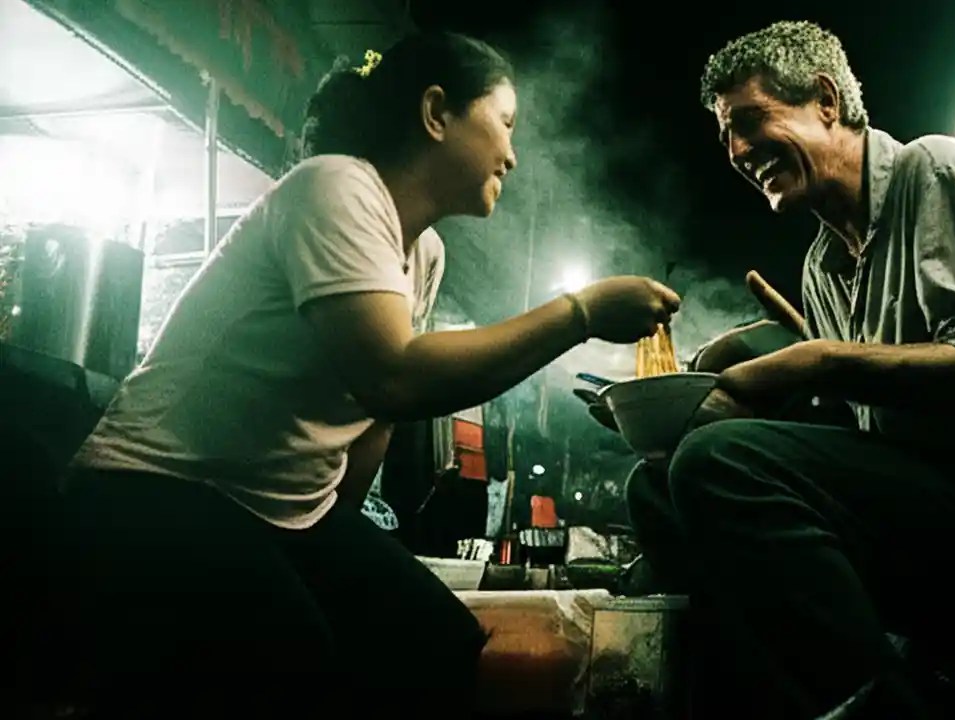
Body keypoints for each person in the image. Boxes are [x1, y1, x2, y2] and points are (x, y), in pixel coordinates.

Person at [61, 30, 679, 717]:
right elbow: (394, 376)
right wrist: (580, 312)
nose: (511, 152)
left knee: (433, 639)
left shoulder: (425, 254)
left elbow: (376, 418)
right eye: (504, 123)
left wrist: (339, 552)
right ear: (436, 112)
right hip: (157, 491)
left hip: (284, 515)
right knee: (292, 653)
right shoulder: (333, 187)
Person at [624, 20, 955, 719]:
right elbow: (855, 440)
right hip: (948, 527)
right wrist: (739, 382)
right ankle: (801, 700)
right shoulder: (823, 265)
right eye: (727, 138)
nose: (740, 151)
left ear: (827, 102)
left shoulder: (938, 173)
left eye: (750, 121)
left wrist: (815, 360)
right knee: (660, 480)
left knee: (721, 463)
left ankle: (888, 710)